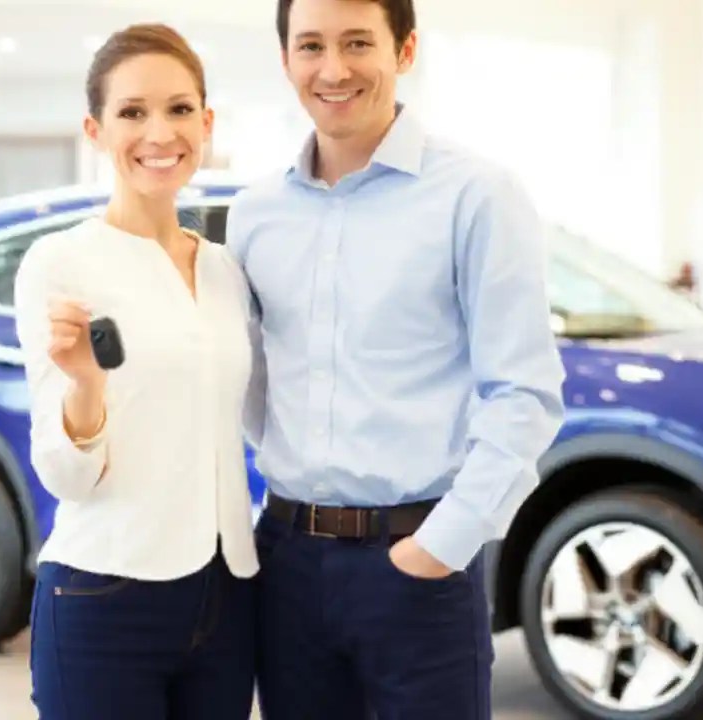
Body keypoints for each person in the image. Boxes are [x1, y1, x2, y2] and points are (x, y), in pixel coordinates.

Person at [226, 0, 568, 717]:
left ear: (404, 50)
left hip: (416, 562)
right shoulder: (256, 213)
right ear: (286, 59)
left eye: (358, 43)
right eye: (310, 46)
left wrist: (440, 545)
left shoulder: (476, 194)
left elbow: (524, 394)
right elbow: (251, 381)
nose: (333, 68)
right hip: (286, 561)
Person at [13, 23, 258, 720]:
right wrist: (87, 386)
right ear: (95, 129)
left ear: (206, 123)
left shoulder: (225, 271)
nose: (160, 132)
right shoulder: (60, 265)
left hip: (226, 592)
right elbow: (65, 478)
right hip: (103, 597)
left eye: (180, 109)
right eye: (131, 112)